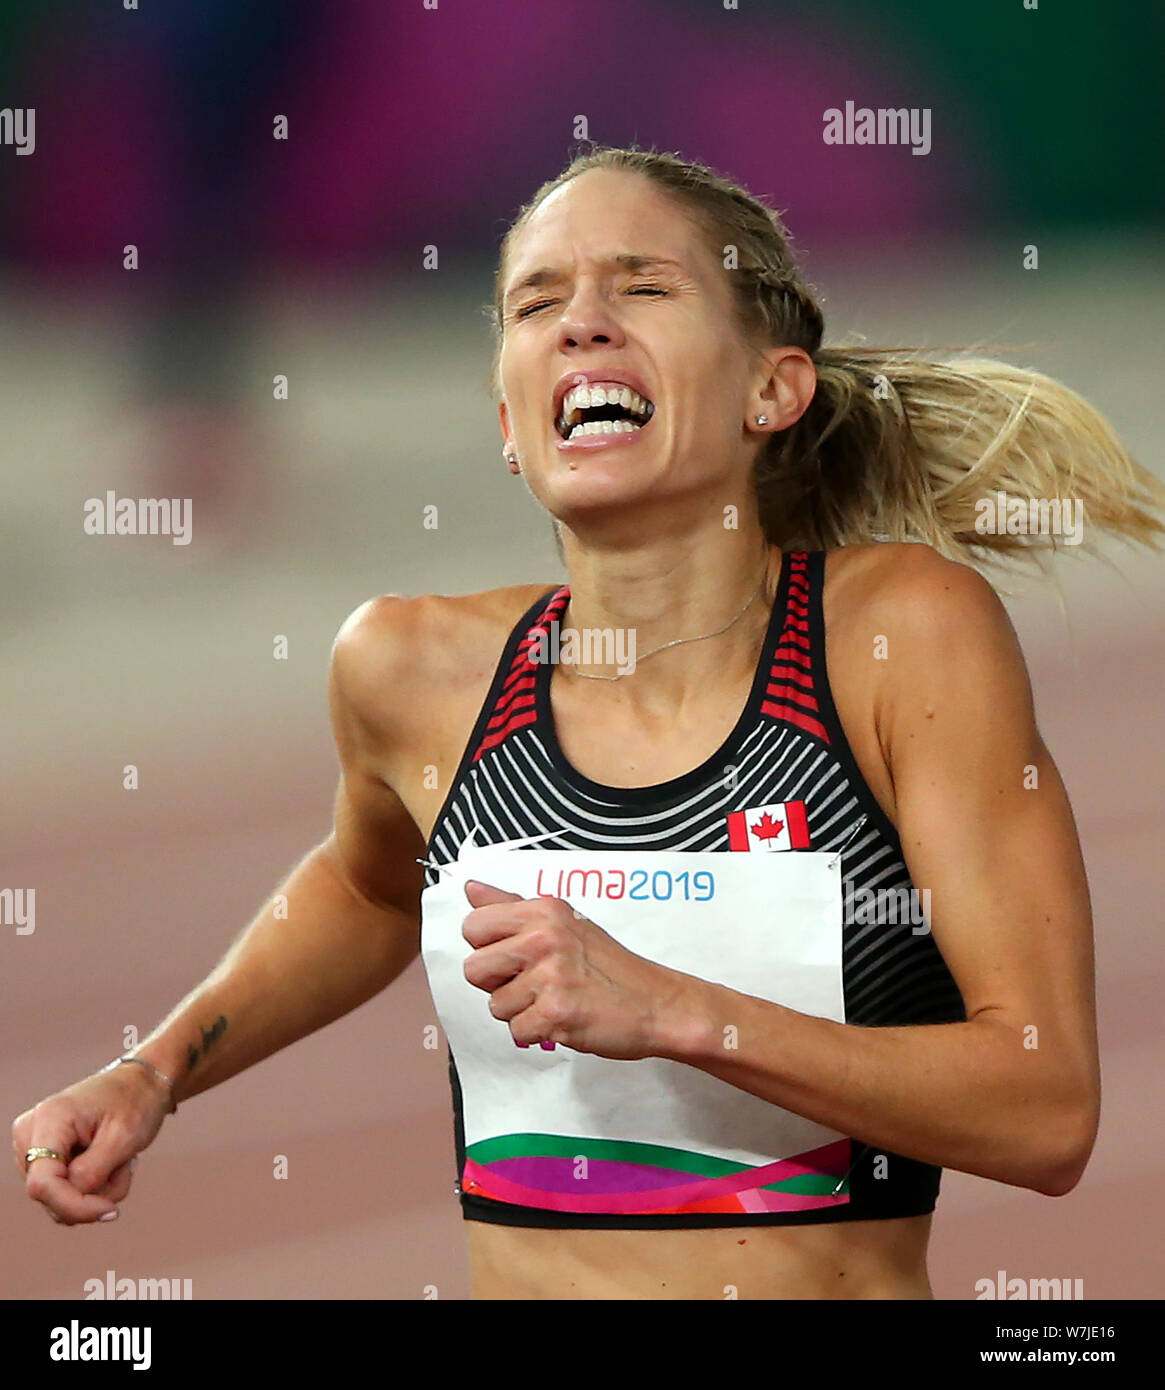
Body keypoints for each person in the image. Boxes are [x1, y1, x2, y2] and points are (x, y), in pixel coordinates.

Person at [13, 145, 1163, 1300]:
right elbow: (369, 885)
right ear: (508, 423)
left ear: (773, 387)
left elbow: (1046, 1110)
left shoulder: (897, 639)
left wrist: (671, 1009)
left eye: (643, 286)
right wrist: (153, 1072)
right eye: (537, 300)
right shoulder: (411, 669)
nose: (582, 325)